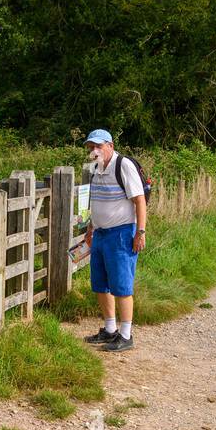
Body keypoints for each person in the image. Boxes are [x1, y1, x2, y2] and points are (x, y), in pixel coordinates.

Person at [81, 129, 147, 352]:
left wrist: (140, 232)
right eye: (91, 147)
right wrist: (90, 227)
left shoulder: (123, 165)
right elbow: (96, 201)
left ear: (110, 145)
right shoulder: (94, 168)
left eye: (98, 146)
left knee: (121, 285)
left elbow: (139, 201)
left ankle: (126, 335)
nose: (94, 150)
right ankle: (110, 330)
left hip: (121, 234)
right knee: (100, 283)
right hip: (99, 233)